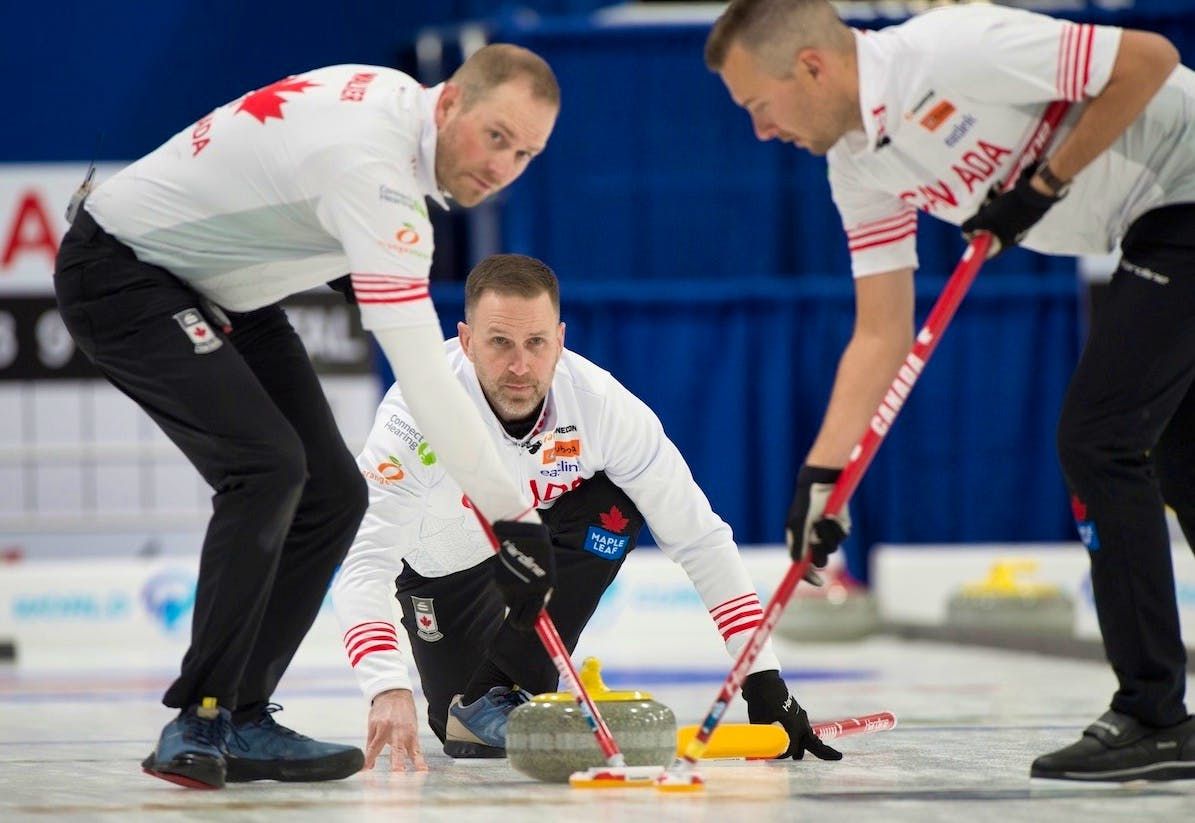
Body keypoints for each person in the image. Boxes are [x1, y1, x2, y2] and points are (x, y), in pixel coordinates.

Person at [704, 0, 1195, 783]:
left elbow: (1148, 59)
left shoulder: (951, 49)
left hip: (1184, 191)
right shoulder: (855, 164)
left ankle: (1153, 713)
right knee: (1178, 458)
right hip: (1155, 219)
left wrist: (1042, 183)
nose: (761, 131)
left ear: (810, 67)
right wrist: (823, 477)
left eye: (758, 105)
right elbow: (880, 330)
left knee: (1098, 436)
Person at [52, 46, 563, 789]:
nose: (502, 166)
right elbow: (425, 379)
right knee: (265, 467)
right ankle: (200, 715)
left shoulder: (390, 111)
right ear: (451, 102)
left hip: (220, 281)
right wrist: (516, 521)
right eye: (496, 136)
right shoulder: (378, 173)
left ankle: (244, 714)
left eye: (525, 154)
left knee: (334, 493)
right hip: (123, 270)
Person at [331, 253, 842, 770]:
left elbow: (699, 537)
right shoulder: (414, 412)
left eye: (536, 343)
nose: (519, 366)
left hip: (539, 547)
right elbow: (363, 561)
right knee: (463, 731)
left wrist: (762, 675)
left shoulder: (601, 406)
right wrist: (386, 686)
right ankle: (489, 691)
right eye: (499, 342)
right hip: (445, 567)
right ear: (465, 341)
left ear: (560, 339)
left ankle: (505, 685)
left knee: (613, 508)